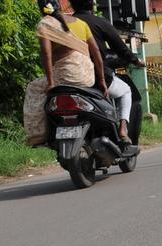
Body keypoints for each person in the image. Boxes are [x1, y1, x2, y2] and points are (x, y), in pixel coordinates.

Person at [22, 0, 109, 145]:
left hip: (66, 76)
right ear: (60, 6)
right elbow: (96, 54)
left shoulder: (45, 23)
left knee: (34, 87)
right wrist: (102, 81)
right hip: (87, 77)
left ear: (41, 9)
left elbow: (46, 54)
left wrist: (51, 82)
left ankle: (37, 136)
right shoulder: (81, 23)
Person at [70, 0, 144, 145]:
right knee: (126, 91)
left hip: (68, 77)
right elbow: (118, 47)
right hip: (94, 77)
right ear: (92, 5)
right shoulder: (97, 23)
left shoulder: (64, 25)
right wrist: (135, 61)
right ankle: (123, 130)